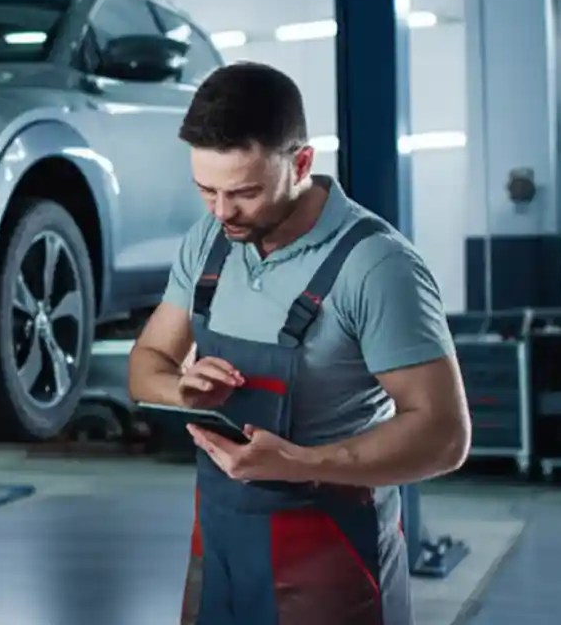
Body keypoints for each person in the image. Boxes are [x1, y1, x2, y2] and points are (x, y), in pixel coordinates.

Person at [128, 62, 471, 625]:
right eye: (205, 190)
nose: (221, 212)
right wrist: (180, 385)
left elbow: (445, 435)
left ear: (302, 163)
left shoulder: (377, 266)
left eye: (243, 192)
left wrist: (302, 463)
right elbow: (147, 366)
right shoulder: (208, 241)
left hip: (329, 551)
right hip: (218, 539)